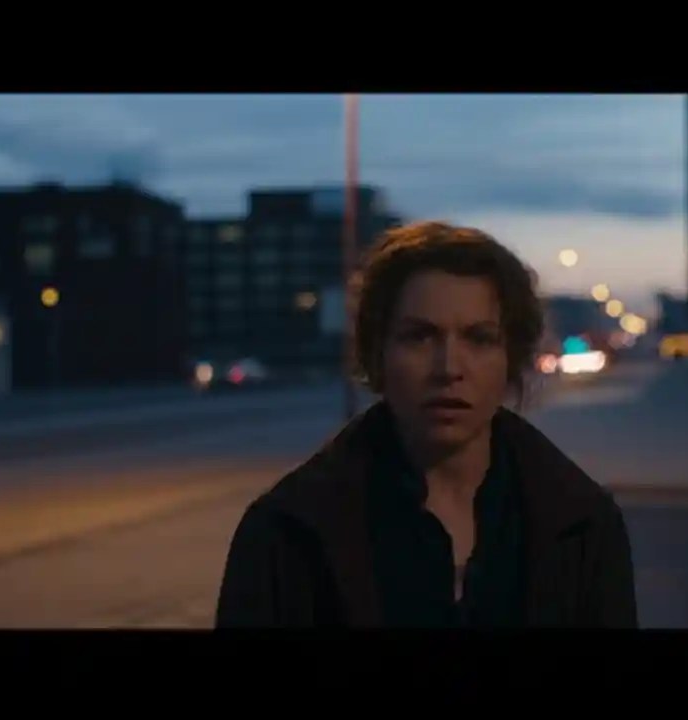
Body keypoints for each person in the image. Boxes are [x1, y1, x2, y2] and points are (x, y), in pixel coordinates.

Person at [214, 221, 638, 627]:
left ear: (510, 359)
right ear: (377, 355)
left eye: (479, 338)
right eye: (419, 336)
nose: (449, 367)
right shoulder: (286, 534)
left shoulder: (583, 523)